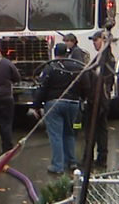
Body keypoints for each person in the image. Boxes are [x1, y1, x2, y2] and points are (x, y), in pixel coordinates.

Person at [32, 43, 86, 174]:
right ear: (67, 53)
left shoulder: (50, 68)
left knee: (56, 135)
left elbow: (42, 87)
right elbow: (84, 84)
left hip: (55, 104)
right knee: (69, 133)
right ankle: (71, 162)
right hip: (73, 103)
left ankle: (57, 166)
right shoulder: (76, 67)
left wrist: (37, 105)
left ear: (55, 54)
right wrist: (81, 99)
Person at [82, 29, 114, 169]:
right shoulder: (99, 57)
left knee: (93, 130)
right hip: (98, 99)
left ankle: (91, 159)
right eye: (93, 41)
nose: (94, 43)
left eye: (96, 40)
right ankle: (99, 158)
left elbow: (104, 81)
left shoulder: (105, 59)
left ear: (104, 41)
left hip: (99, 100)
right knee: (100, 129)